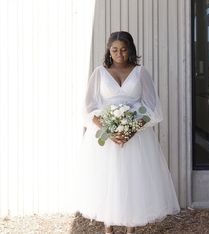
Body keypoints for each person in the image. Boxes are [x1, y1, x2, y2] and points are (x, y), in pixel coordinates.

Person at [76, 31, 180, 234]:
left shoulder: (141, 73)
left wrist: (130, 130)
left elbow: (153, 108)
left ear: (130, 49)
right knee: (107, 181)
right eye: (114, 50)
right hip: (106, 139)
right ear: (109, 50)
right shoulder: (99, 72)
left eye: (123, 49)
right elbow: (87, 109)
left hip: (136, 138)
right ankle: (108, 228)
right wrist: (109, 130)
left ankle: (130, 229)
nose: (119, 54)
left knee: (132, 181)